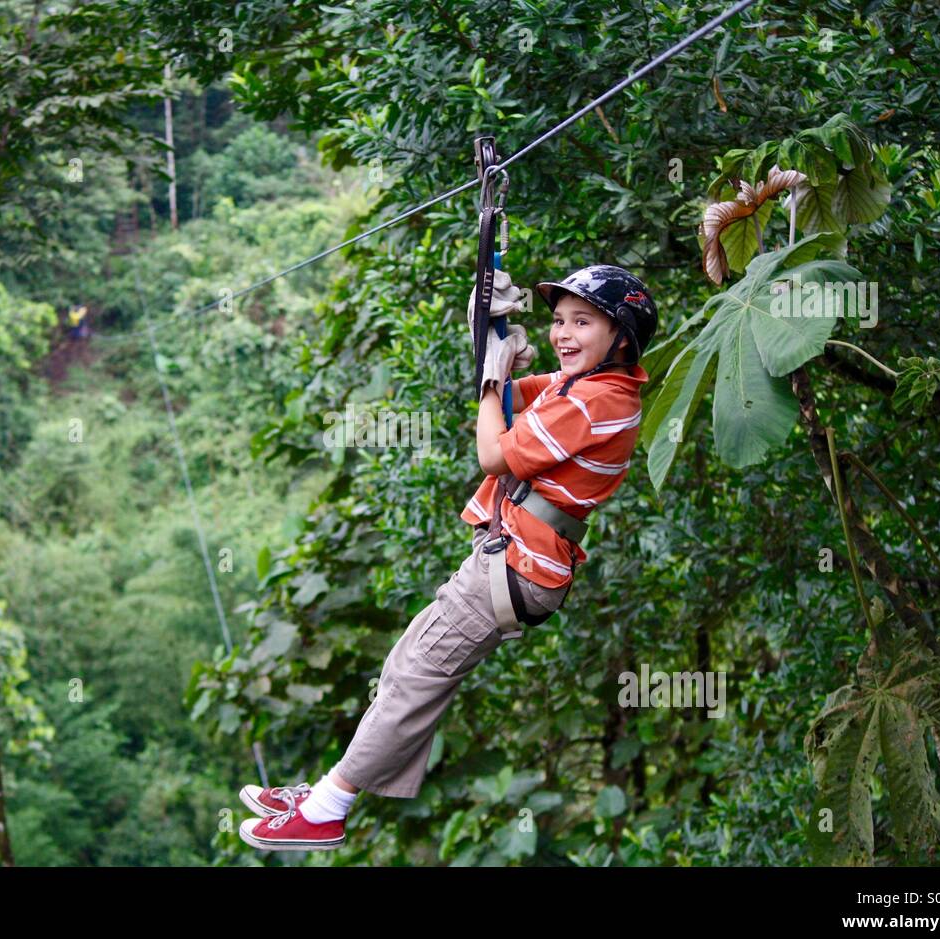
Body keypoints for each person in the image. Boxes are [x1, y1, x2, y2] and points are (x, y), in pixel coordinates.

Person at [237, 265, 658, 852]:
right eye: (559, 320)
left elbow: (494, 452)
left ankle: (328, 808)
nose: (563, 334)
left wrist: (491, 380)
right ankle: (323, 797)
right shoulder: (578, 387)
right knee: (405, 669)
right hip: (510, 559)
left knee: (415, 678)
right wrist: (493, 338)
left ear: (621, 337)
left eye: (582, 322)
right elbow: (506, 400)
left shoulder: (596, 402)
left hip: (517, 567)